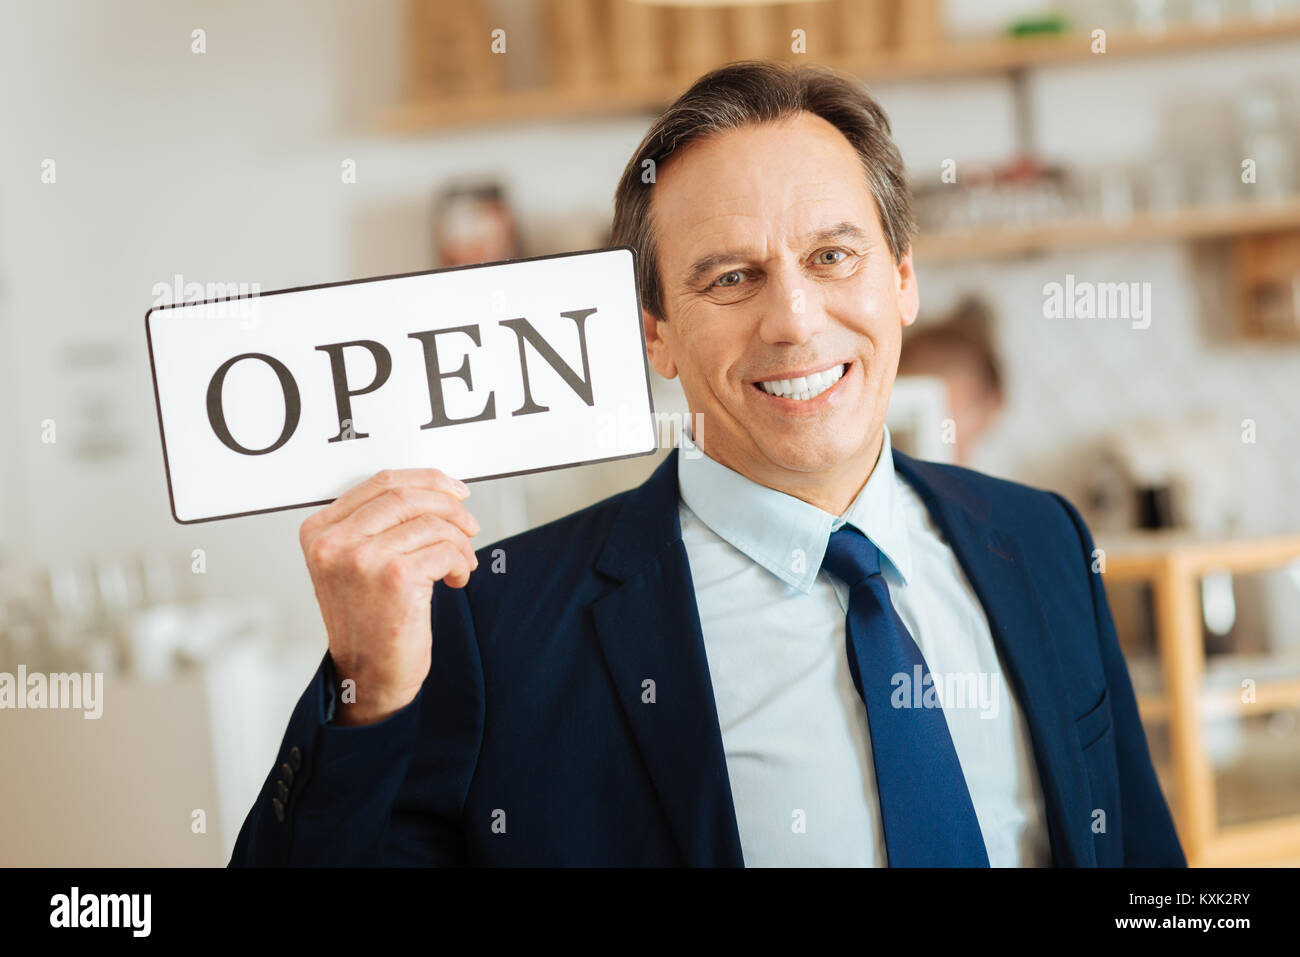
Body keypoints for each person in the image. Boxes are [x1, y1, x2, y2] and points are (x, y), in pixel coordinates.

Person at [230, 61, 1184, 867]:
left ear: (901, 279)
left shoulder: (1043, 540)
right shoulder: (498, 624)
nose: (795, 320)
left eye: (833, 256)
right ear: (657, 335)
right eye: (730, 278)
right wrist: (367, 692)